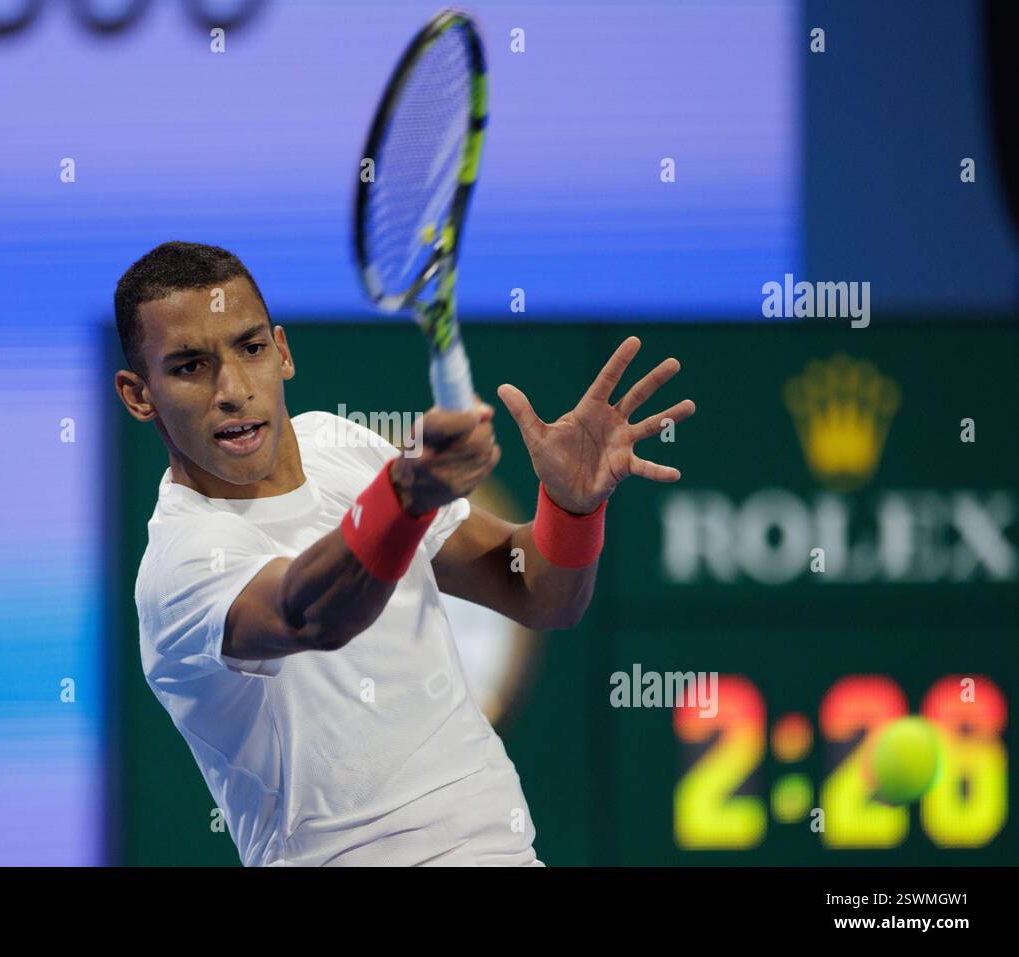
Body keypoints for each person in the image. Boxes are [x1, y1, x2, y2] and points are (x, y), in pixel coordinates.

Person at [113, 241, 695, 866]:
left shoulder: (340, 443)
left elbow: (537, 592)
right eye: (189, 366)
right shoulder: (181, 561)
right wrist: (405, 494)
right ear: (138, 395)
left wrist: (571, 509)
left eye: (250, 348)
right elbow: (310, 614)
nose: (232, 390)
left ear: (282, 352)